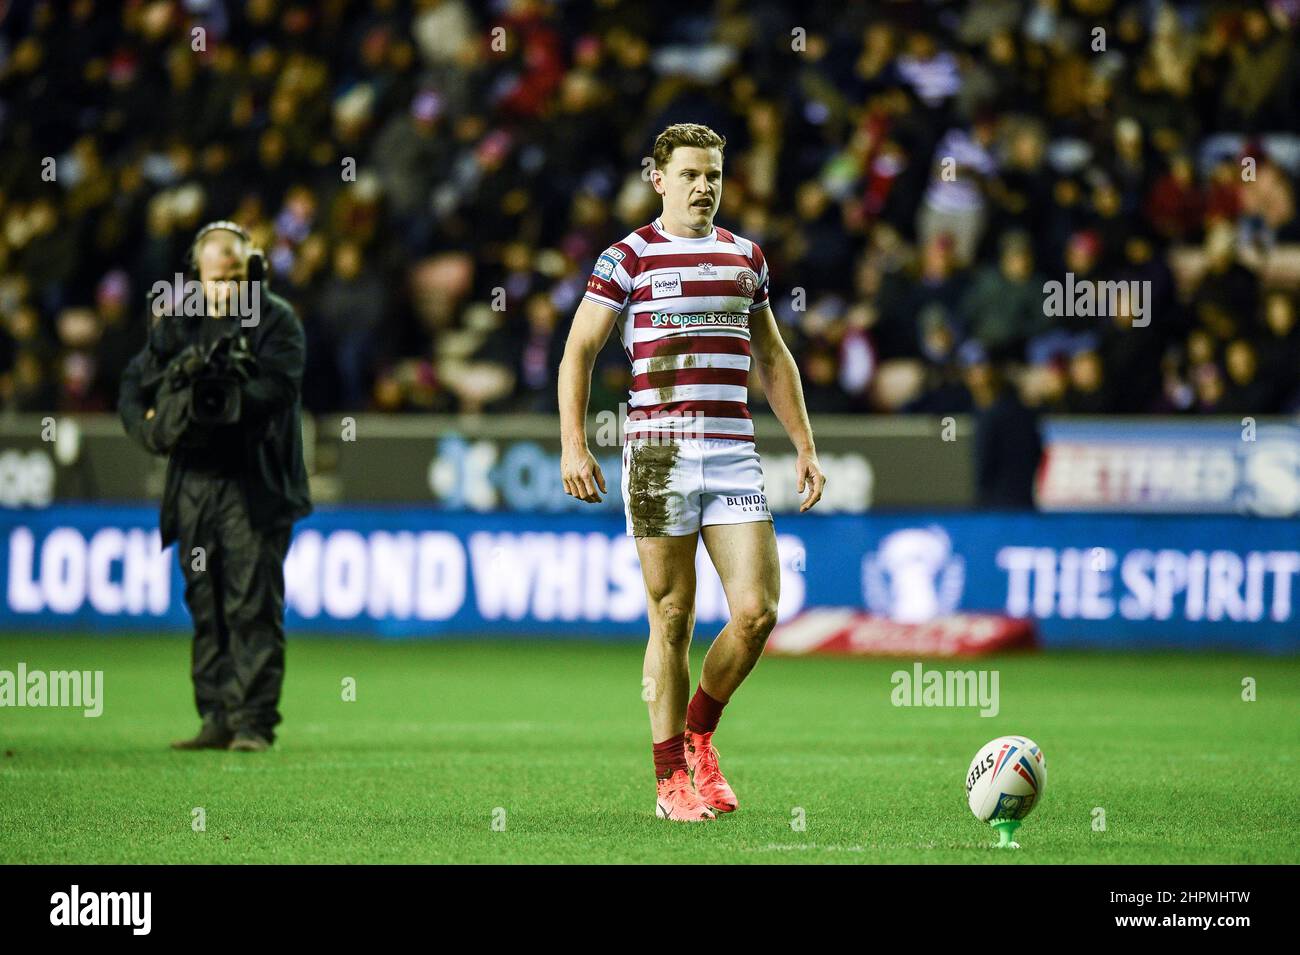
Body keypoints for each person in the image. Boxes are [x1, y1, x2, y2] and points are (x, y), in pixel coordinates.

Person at [557, 124, 826, 822]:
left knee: (757, 611)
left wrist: (804, 443)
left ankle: (700, 732)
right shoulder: (628, 258)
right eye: (689, 175)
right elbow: (578, 350)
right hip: (657, 453)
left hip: (732, 448)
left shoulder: (745, 257)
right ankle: (670, 779)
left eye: (712, 174)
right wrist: (573, 444)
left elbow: (771, 356)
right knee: (673, 615)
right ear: (659, 178)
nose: (703, 186)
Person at [118, 221, 311, 752]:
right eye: (215, 273)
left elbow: (279, 386)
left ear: (253, 268)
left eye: (233, 271)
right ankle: (216, 716)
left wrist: (228, 395)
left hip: (255, 485)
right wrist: (155, 425)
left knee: (251, 605)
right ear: (197, 273)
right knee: (205, 603)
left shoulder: (275, 320)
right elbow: (133, 386)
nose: (224, 283)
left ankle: (253, 722)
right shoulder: (179, 323)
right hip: (195, 487)